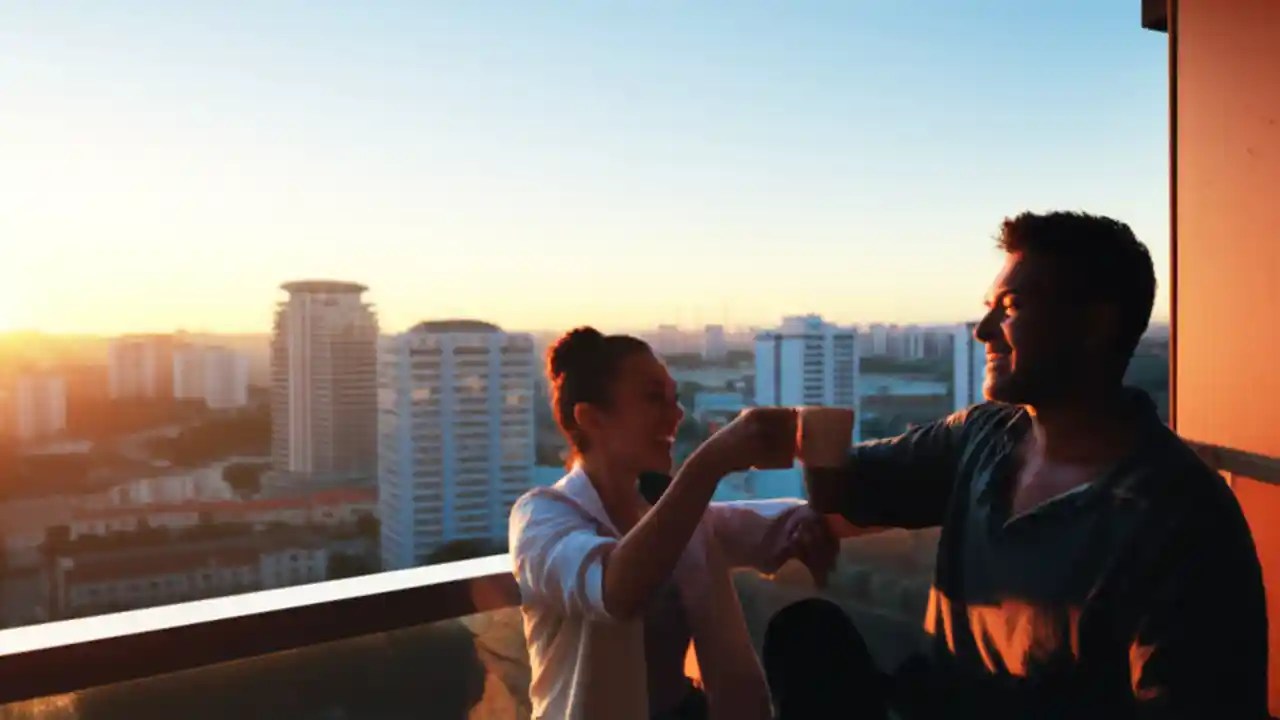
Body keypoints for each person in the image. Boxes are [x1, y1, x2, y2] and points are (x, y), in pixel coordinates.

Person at [754, 211, 1270, 718]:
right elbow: (845, 486)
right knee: (805, 638)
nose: (983, 331)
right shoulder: (983, 438)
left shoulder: (1178, 519)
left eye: (1012, 306)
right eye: (989, 308)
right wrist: (793, 482)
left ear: (1095, 324)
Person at [509, 327, 839, 720]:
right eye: (654, 398)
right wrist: (710, 463)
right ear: (590, 418)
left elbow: (772, 519)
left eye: (674, 399)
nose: (677, 415)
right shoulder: (541, 516)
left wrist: (806, 521)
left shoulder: (679, 517)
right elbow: (615, 589)